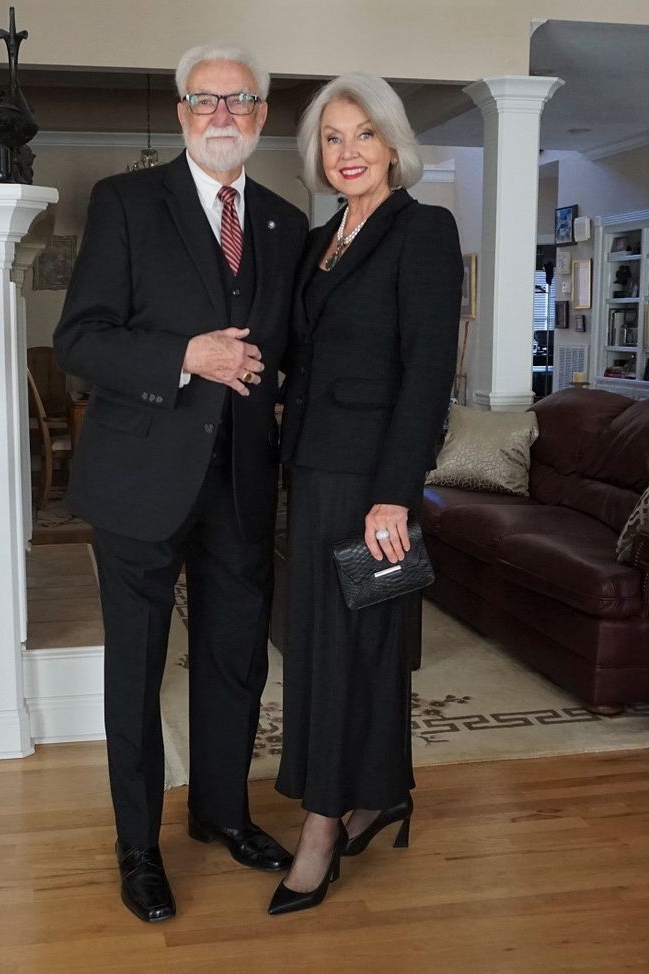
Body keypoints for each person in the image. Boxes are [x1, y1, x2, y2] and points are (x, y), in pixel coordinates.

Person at [53, 43, 308, 923]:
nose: (224, 114)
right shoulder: (126, 204)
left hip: (240, 483)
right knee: (137, 671)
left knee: (234, 662)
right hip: (138, 482)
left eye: (241, 100)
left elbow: (294, 353)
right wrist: (185, 356)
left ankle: (222, 813)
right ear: (181, 112)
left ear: (263, 116)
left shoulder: (283, 220)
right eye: (207, 100)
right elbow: (80, 340)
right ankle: (137, 846)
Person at [269, 73, 462, 915]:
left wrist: (396, 494)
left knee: (357, 647)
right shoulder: (321, 240)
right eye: (332, 138)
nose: (346, 152)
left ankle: (323, 826)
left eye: (362, 135)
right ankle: (381, 790)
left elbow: (426, 376)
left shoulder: (423, 232)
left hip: (371, 482)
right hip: (312, 472)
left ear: (392, 145)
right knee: (324, 643)